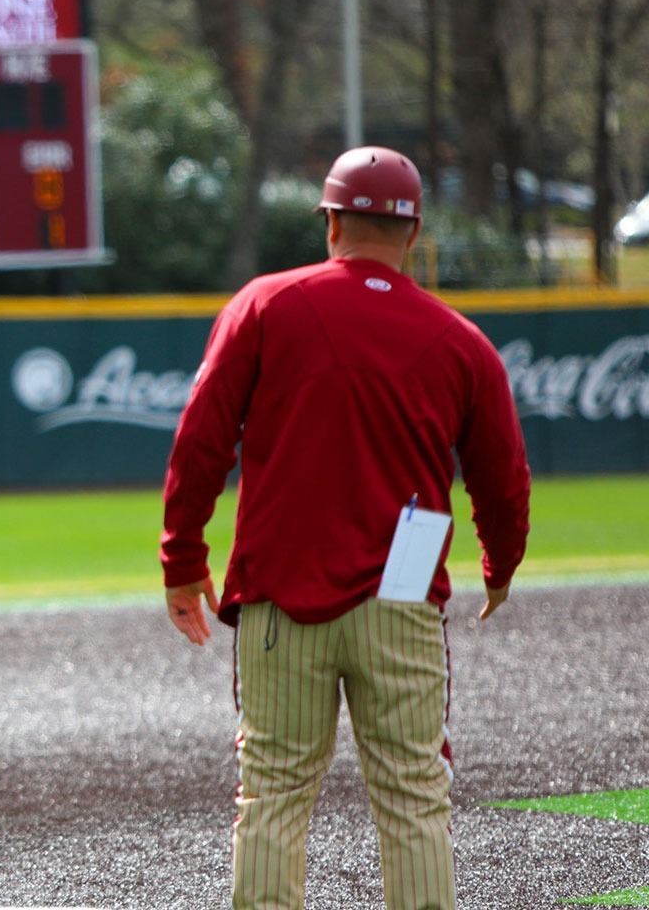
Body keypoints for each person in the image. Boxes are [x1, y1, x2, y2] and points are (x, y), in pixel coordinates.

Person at [159, 146, 532, 910]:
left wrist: (181, 557)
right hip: (401, 594)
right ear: (415, 229)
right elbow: (503, 477)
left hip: (279, 594)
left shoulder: (265, 304)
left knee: (273, 795)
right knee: (413, 798)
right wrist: (499, 565)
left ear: (330, 222)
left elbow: (200, 440)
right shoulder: (461, 340)